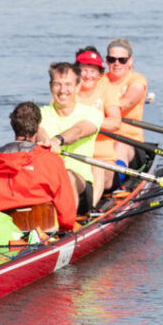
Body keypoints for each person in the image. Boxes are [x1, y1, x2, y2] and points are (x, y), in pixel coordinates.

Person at [0, 101, 77, 251]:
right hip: (43, 233)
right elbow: (67, 211)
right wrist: (65, 231)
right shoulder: (52, 160)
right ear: (38, 127)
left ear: (12, 125)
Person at [37, 61, 103, 216]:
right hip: (48, 184)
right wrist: (45, 142)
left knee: (67, 175)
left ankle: (68, 225)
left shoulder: (92, 113)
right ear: (50, 86)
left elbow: (79, 131)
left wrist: (58, 140)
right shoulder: (39, 113)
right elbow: (39, 130)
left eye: (68, 84)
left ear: (78, 87)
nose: (62, 90)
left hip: (81, 188)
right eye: (57, 84)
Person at [71, 45, 124, 204]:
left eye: (93, 71)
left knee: (97, 166)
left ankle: (90, 209)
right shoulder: (67, 92)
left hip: (104, 160)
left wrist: (88, 124)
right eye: (84, 70)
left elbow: (115, 122)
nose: (88, 75)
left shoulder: (107, 90)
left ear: (99, 74)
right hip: (74, 158)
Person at [101, 38, 148, 168]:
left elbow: (129, 100)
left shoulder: (136, 80)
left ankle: (117, 177)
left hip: (130, 142)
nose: (117, 63)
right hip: (102, 139)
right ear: (106, 60)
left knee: (120, 146)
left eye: (122, 60)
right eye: (112, 59)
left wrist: (104, 110)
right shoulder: (100, 81)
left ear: (130, 61)